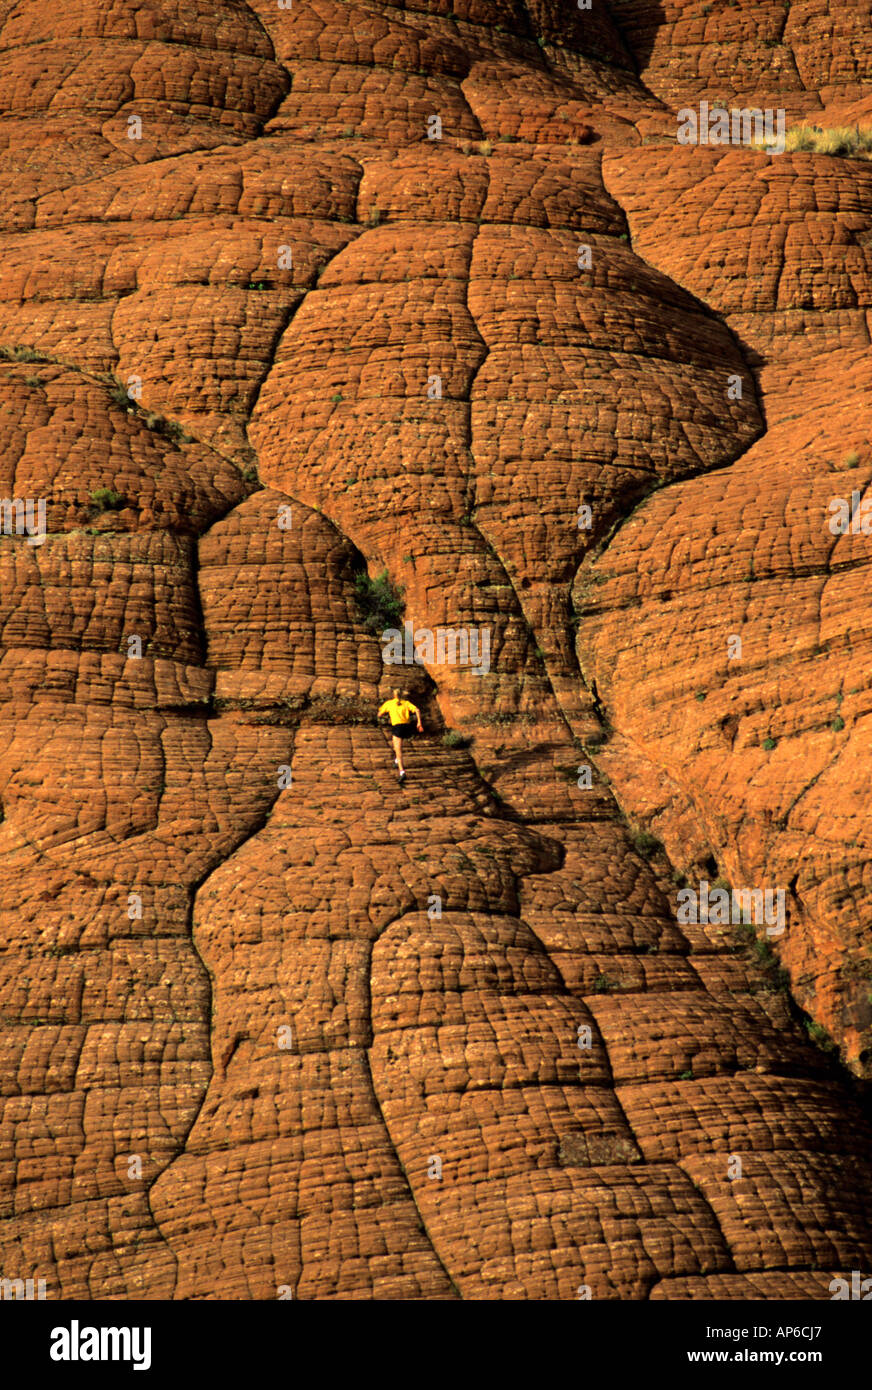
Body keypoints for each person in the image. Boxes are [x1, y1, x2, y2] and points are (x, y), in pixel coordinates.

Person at [377, 688, 423, 782]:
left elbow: (379, 714)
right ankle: (396, 761)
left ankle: (402, 772)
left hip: (397, 727)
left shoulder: (389, 703)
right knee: (397, 745)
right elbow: (417, 710)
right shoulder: (406, 703)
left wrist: (386, 714)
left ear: (394, 695)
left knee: (398, 750)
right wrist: (419, 723)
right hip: (407, 727)